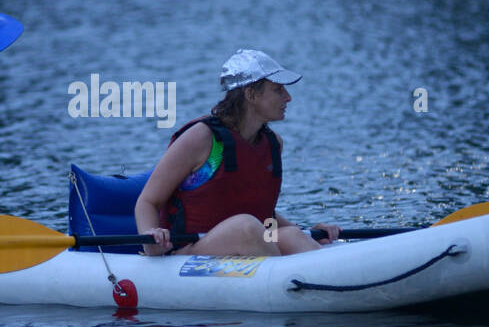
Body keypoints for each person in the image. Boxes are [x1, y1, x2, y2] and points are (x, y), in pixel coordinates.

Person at [135, 49, 340, 257]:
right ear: (251, 94)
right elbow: (148, 202)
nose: (288, 97)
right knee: (246, 228)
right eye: (278, 90)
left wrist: (306, 232)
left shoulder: (273, 144)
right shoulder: (202, 139)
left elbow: (260, 209)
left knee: (292, 236)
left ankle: (325, 276)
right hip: (189, 253)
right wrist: (150, 239)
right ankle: (293, 280)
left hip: (250, 241)